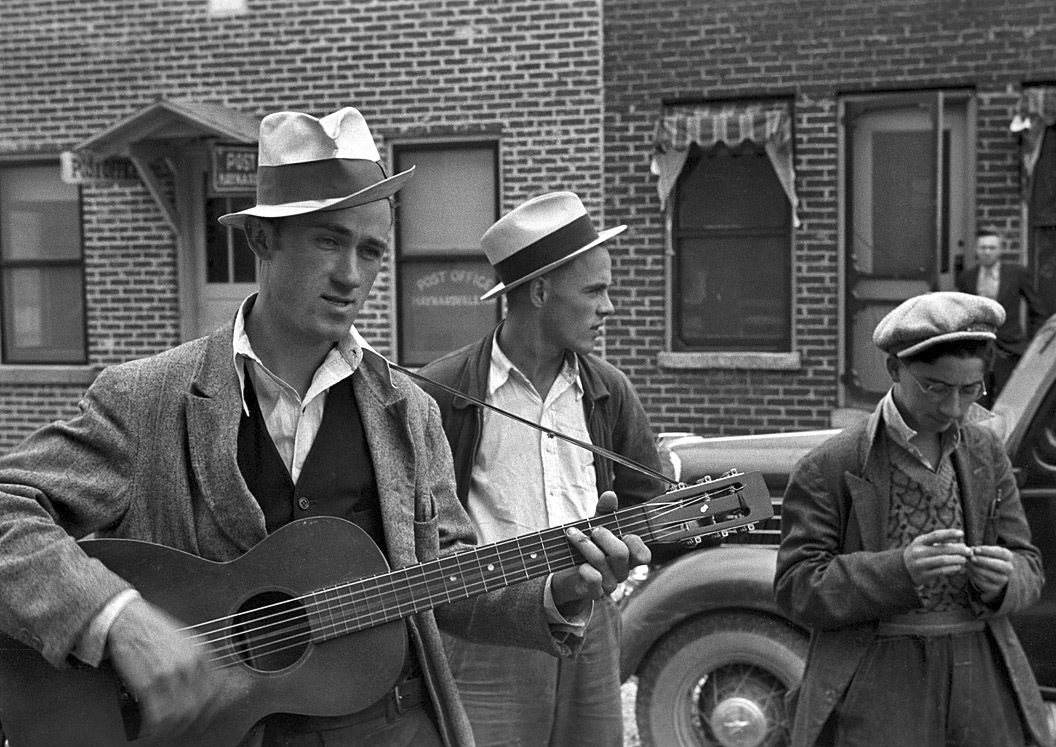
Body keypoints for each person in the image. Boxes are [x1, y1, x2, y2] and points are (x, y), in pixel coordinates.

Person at [0, 109, 650, 747]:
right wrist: (117, 619)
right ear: (263, 240)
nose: (352, 275)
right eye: (328, 241)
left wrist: (555, 590)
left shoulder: (411, 410)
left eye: (370, 250)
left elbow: (445, 580)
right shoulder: (148, 399)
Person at [416, 191, 667, 747]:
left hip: (591, 623)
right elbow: (421, 533)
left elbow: (650, 504)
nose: (610, 308)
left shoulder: (609, 389)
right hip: (486, 630)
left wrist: (632, 546)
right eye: (595, 291)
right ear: (538, 290)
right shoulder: (441, 391)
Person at [774, 291, 1052, 747]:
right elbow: (797, 588)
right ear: (894, 369)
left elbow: (1029, 564)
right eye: (935, 387)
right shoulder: (832, 464)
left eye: (970, 389)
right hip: (878, 676)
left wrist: (1004, 578)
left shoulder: (986, 453)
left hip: (979, 668)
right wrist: (898, 570)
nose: (953, 408)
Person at [956, 227, 1047, 403]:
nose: (987, 252)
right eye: (983, 248)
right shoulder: (967, 278)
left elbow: (1038, 310)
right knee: (979, 401)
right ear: (976, 250)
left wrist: (1032, 344)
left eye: (992, 248)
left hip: (1010, 349)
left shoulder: (1016, 274)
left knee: (1010, 402)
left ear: (1000, 250)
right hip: (978, 351)